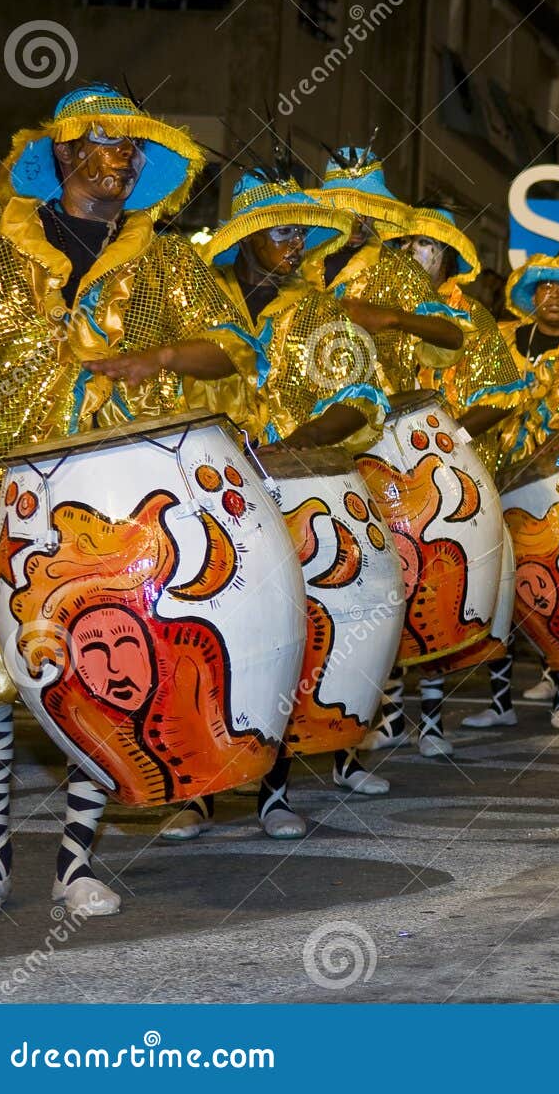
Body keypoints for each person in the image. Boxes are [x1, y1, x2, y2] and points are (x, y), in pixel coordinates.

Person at [0, 83, 259, 916]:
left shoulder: (169, 261)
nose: (126, 157)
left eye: (137, 147)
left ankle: (75, 863)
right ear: (66, 154)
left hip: (111, 496)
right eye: (109, 141)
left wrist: (164, 356)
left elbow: (236, 350)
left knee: (96, 669)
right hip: (1, 486)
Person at [164, 167, 390, 841]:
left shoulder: (319, 313)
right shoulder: (194, 302)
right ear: (250, 235)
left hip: (288, 494)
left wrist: (294, 444)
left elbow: (362, 398)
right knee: (200, 636)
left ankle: (273, 790)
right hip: (199, 498)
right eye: (282, 231)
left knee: (282, 639)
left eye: (302, 233)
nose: (295, 244)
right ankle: (198, 792)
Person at [309, 148, 470, 767]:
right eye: (342, 207)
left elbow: (454, 336)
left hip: (384, 446)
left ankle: (401, 723)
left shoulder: (401, 274)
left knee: (396, 585)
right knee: (319, 594)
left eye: (368, 209)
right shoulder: (304, 269)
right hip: (306, 445)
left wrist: (395, 318)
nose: (355, 220)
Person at [390, 205, 529, 740]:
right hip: (385, 480)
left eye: (427, 246)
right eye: (406, 245)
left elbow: (506, 395)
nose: (415, 256)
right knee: (393, 591)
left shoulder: (472, 317)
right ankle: (380, 718)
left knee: (439, 592)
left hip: (455, 485)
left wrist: (449, 443)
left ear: (447, 255)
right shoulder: (376, 314)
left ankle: (431, 721)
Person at [475, 246, 559, 731]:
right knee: (501, 592)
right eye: (545, 288)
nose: (553, 297)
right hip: (496, 478)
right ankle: (499, 703)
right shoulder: (504, 340)